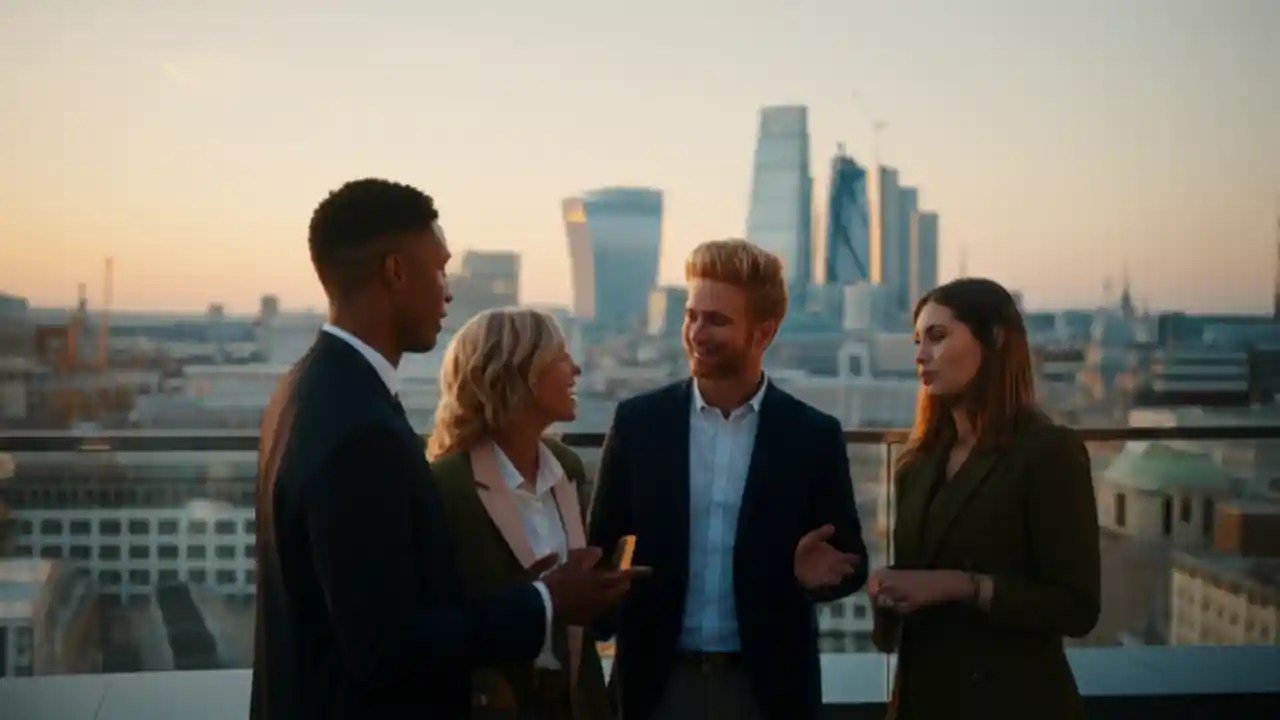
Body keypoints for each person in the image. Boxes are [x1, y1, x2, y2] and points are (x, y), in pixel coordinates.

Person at [251, 179, 634, 719]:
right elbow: (390, 647)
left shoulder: (304, 390)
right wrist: (547, 601)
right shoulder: (362, 429)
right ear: (396, 272)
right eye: (440, 269)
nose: (448, 291)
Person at [588, 239, 868, 720]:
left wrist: (815, 579)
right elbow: (603, 548)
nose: (696, 332)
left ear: (764, 333)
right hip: (657, 685)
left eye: (716, 320)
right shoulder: (638, 424)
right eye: (692, 315)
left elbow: (850, 562)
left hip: (766, 690)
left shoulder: (812, 435)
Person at [868, 277, 1101, 719]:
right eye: (918, 341)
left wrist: (961, 585)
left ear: (993, 339)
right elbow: (913, 603)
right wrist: (886, 592)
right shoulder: (917, 464)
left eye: (937, 337)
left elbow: (1077, 607)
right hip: (923, 701)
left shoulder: (1049, 452)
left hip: (1014, 703)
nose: (920, 357)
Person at [426, 307, 615, 720]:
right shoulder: (445, 487)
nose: (576, 368)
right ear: (517, 373)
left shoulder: (566, 468)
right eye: (561, 357)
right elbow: (438, 624)